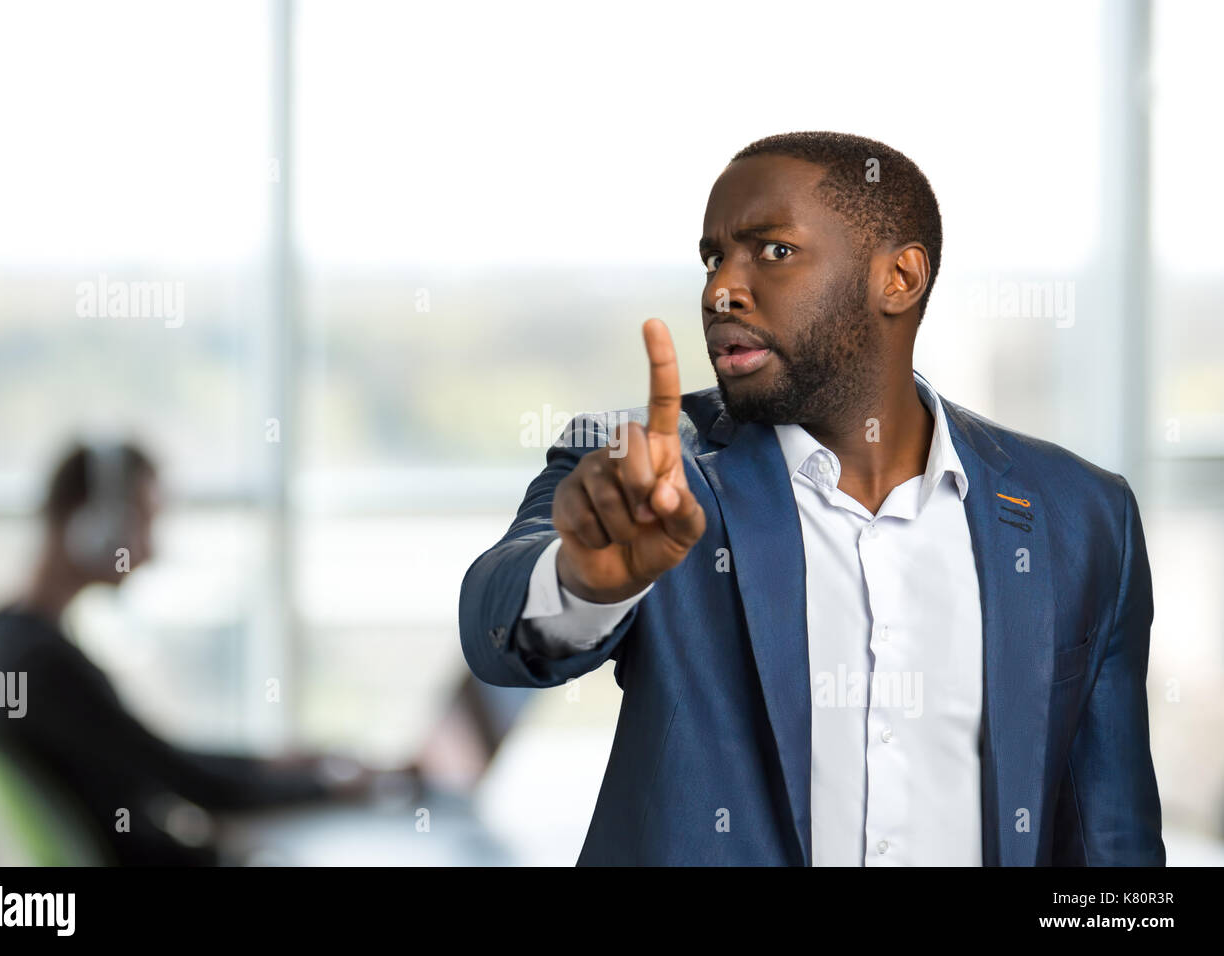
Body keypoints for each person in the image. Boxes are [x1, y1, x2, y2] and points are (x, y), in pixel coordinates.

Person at [459, 131, 1165, 866]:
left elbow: (1110, 842)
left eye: (772, 250)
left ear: (899, 278)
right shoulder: (641, 471)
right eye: (712, 258)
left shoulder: (1080, 515)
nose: (719, 290)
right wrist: (583, 579)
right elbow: (494, 626)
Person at [0, 441, 405, 866]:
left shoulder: (2, 635)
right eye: (141, 521)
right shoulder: (41, 664)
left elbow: (154, 756)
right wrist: (329, 786)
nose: (150, 550)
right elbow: (193, 784)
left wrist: (273, 764)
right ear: (92, 523)